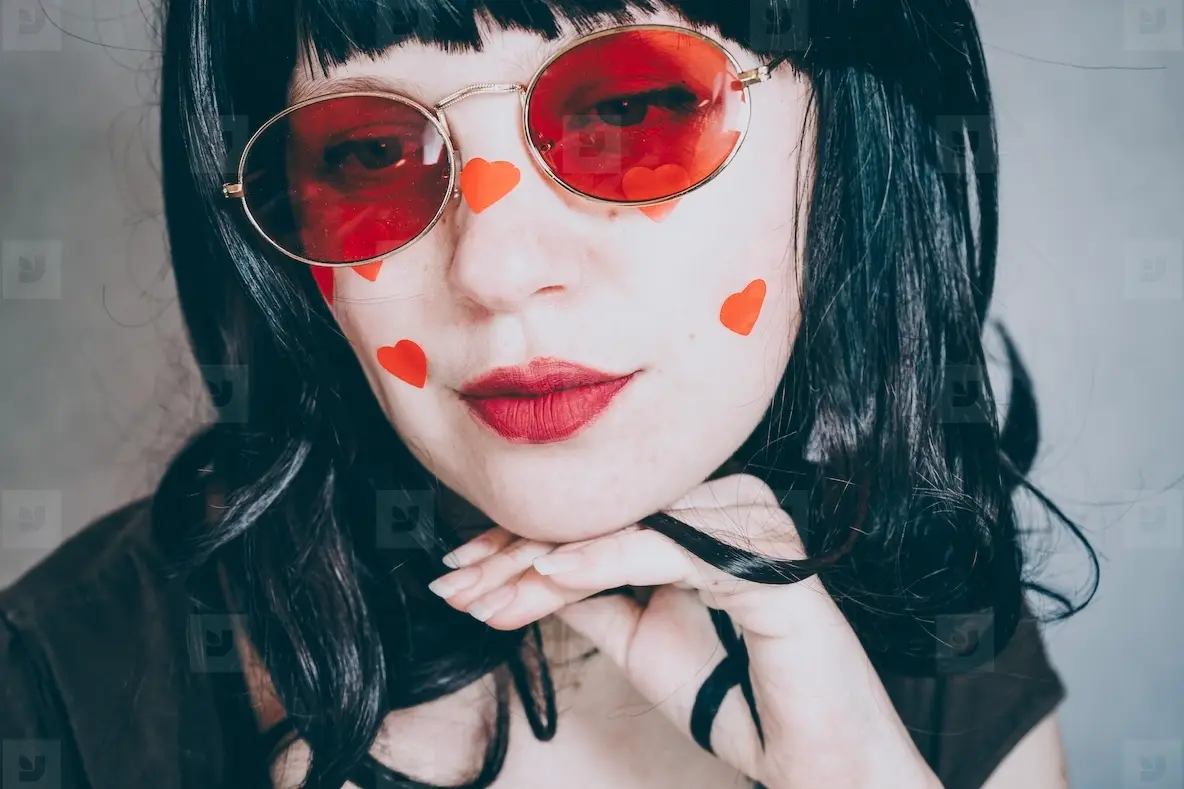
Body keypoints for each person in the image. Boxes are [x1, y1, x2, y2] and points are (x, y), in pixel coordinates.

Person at [0, 1, 1098, 787]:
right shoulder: (61, 690)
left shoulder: (933, 603)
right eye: (370, 153)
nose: (491, 268)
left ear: (851, 139)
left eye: (627, 109)